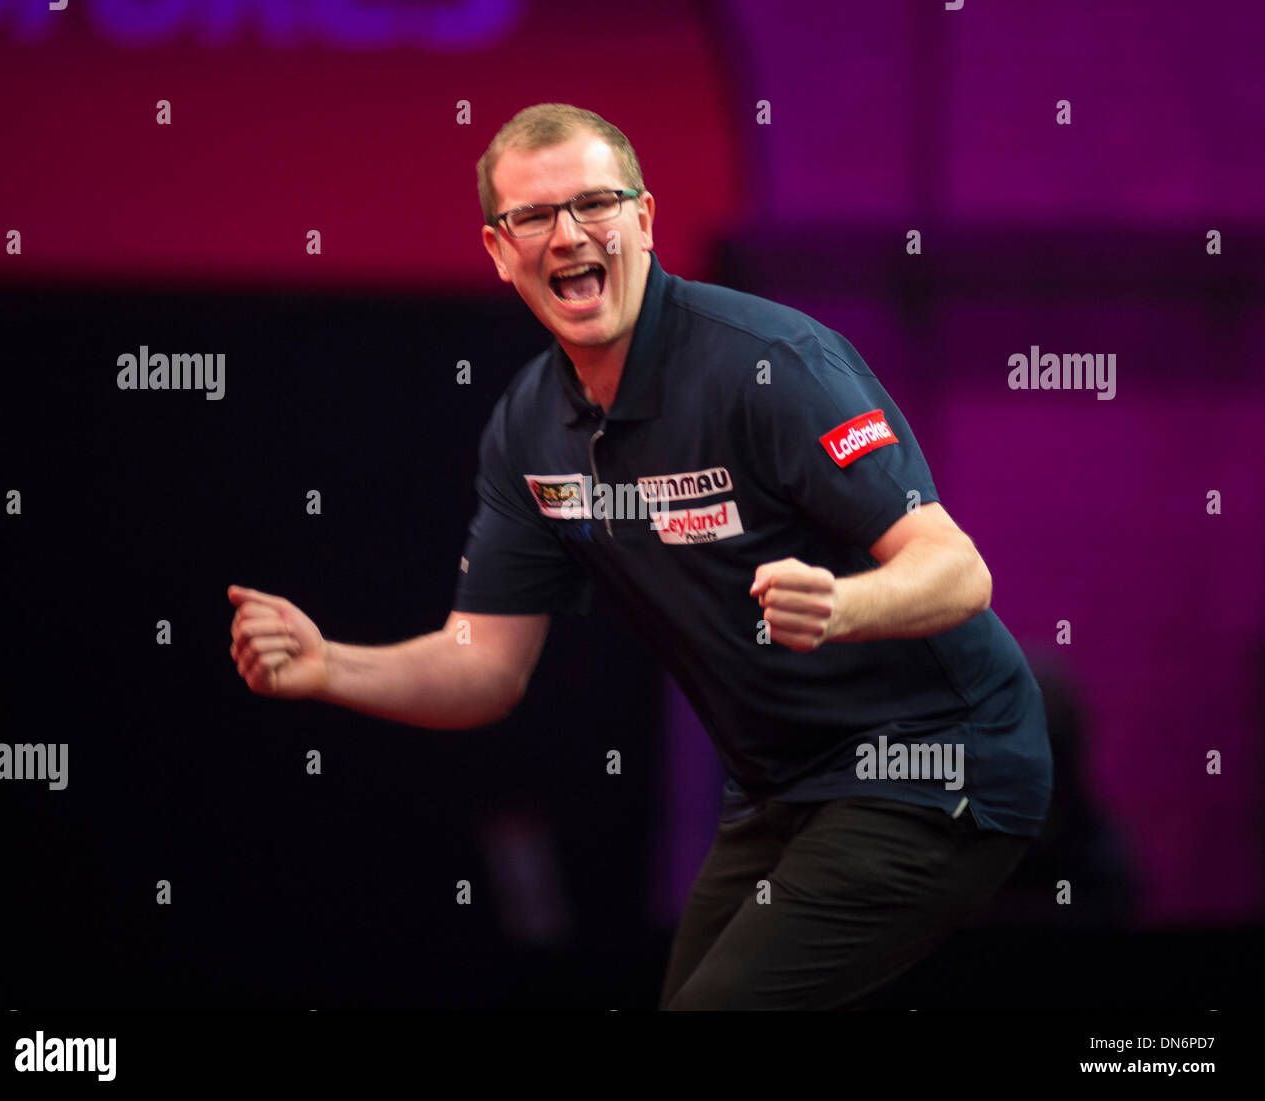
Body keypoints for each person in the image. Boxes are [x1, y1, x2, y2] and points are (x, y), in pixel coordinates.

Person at [228, 103, 1053, 1010]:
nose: (568, 235)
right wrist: (328, 666)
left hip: (937, 763)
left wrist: (840, 606)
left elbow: (960, 572)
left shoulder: (771, 365)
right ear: (499, 250)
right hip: (781, 789)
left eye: (594, 203)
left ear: (645, 219)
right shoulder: (529, 429)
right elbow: (486, 668)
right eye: (533, 216)